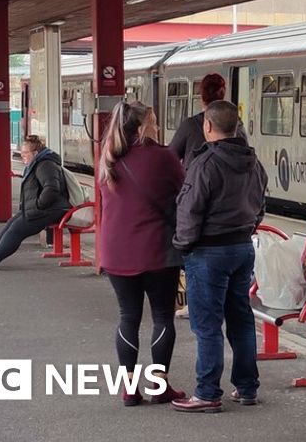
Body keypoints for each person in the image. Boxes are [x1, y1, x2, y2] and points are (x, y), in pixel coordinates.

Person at [171, 100, 267, 413]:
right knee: (241, 318)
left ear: (208, 127)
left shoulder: (205, 163)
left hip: (208, 252)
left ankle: (207, 392)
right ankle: (247, 387)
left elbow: (189, 209)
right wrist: (247, 228)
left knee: (207, 325)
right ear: (236, 126)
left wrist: (184, 244)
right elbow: (261, 204)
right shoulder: (253, 162)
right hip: (242, 248)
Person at [97, 101, 187, 407]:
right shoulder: (163, 157)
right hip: (156, 250)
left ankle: (129, 389)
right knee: (162, 317)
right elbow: (183, 195)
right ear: (142, 127)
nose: (158, 128)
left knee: (128, 317)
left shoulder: (108, 158)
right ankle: (159, 387)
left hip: (115, 250)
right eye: (154, 122)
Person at [0, 135, 70, 271]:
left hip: (51, 210)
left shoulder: (45, 165)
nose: (23, 157)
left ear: (35, 153)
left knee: (16, 230)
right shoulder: (39, 163)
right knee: (10, 225)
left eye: (25, 153)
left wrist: (39, 205)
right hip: (42, 209)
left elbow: (51, 188)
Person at [169, 73, 247, 169]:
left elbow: (170, 157)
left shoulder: (190, 126)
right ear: (223, 96)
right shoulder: (237, 125)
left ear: (201, 97)